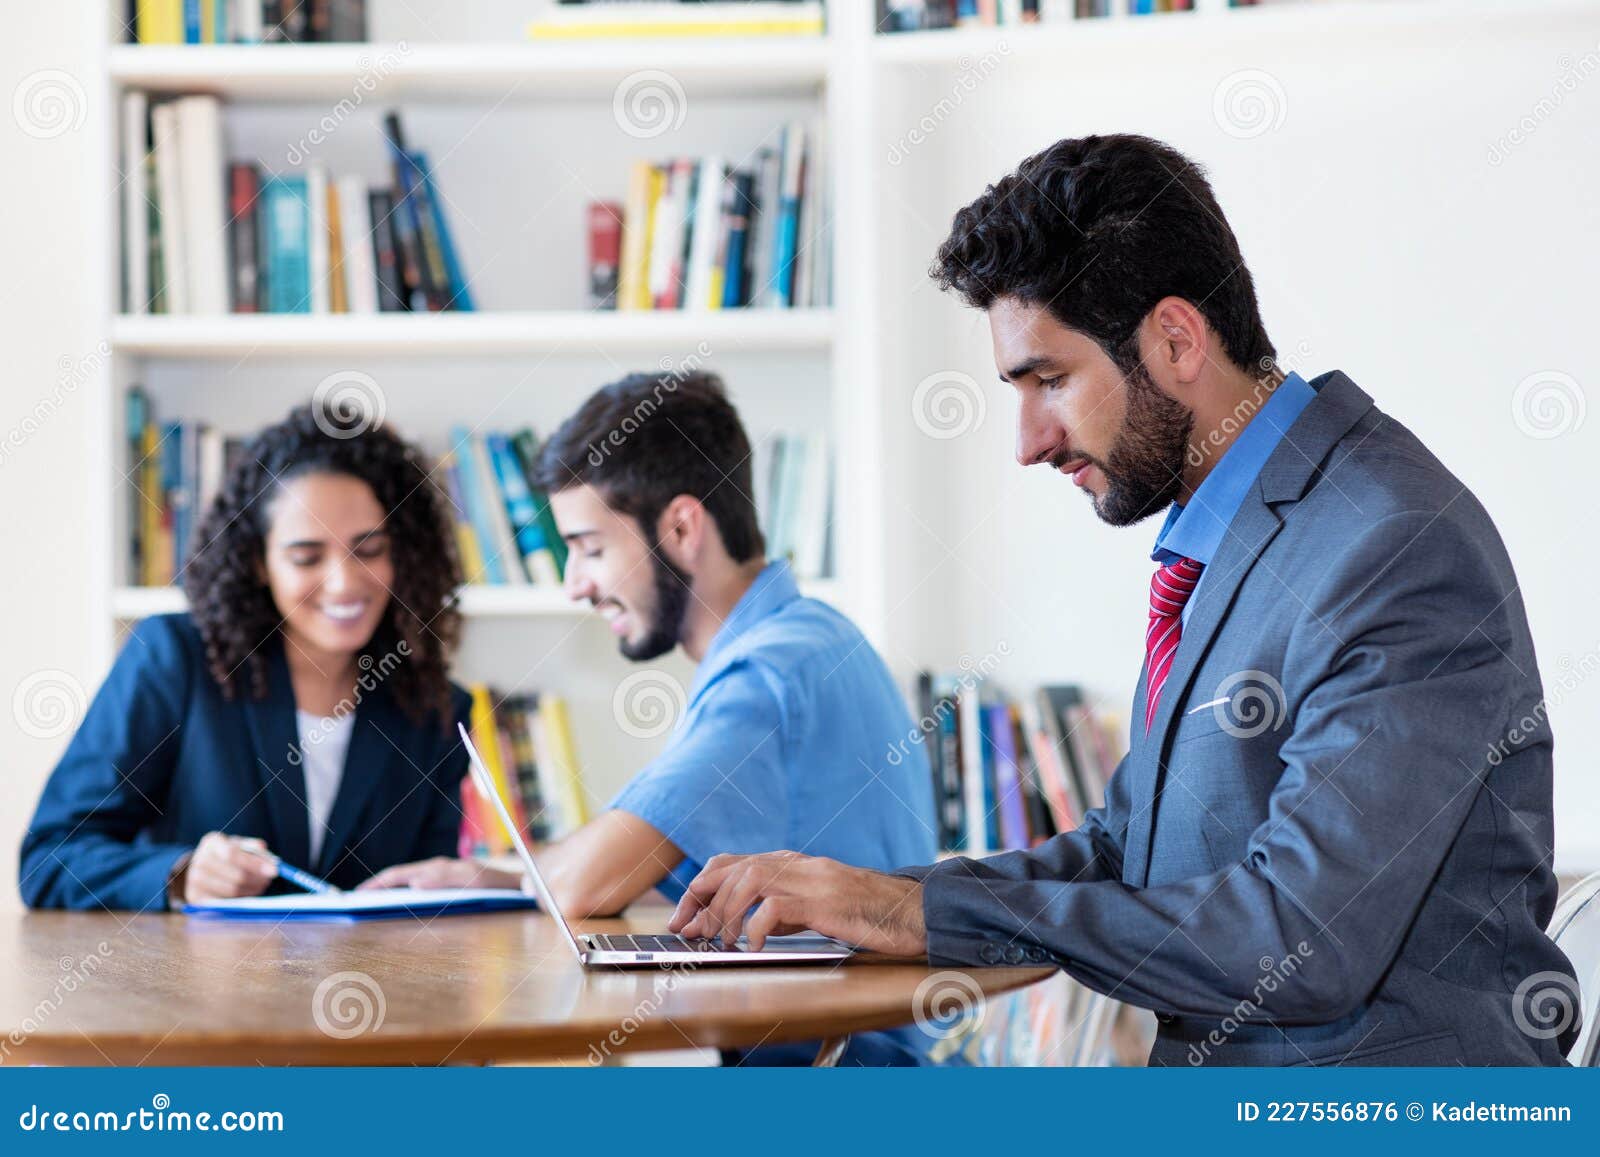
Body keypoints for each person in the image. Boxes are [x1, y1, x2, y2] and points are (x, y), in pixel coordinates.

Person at [667, 134, 1580, 1067]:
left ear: (1176, 340)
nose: (1027, 442)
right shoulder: (1229, 533)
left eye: (1050, 380)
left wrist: (914, 914)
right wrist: (870, 897)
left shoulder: (1390, 547)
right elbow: (1126, 848)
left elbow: (1297, 939)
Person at [365, 371, 939, 1065]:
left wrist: (509, 876)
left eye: (590, 547)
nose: (575, 584)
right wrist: (500, 876)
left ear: (682, 528)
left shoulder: (768, 674)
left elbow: (583, 883)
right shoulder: (813, 635)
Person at [20, 402, 470, 910]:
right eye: (306, 557)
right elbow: (48, 859)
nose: (344, 582)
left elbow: (423, 902)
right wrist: (180, 875)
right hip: (193, 964)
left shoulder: (433, 707)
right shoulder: (175, 660)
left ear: (403, 555)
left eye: (368, 551)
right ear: (259, 562)